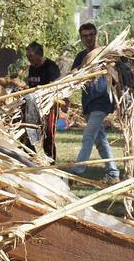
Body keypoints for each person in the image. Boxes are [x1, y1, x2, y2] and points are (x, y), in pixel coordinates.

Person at [69, 22, 120, 182]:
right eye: (85, 36)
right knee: (100, 140)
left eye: (91, 35)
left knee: (88, 136)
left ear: (96, 35)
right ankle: (113, 172)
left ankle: (78, 171)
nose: (89, 38)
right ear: (81, 38)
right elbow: (73, 76)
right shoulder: (80, 57)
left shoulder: (106, 53)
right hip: (88, 102)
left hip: (102, 100)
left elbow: (117, 74)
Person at [21, 41, 61, 160]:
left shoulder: (51, 67)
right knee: (29, 132)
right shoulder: (32, 68)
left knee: (48, 135)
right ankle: (31, 158)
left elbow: (55, 87)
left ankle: (50, 161)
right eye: (27, 56)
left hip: (49, 106)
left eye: (30, 56)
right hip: (33, 106)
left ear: (39, 54)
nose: (28, 59)